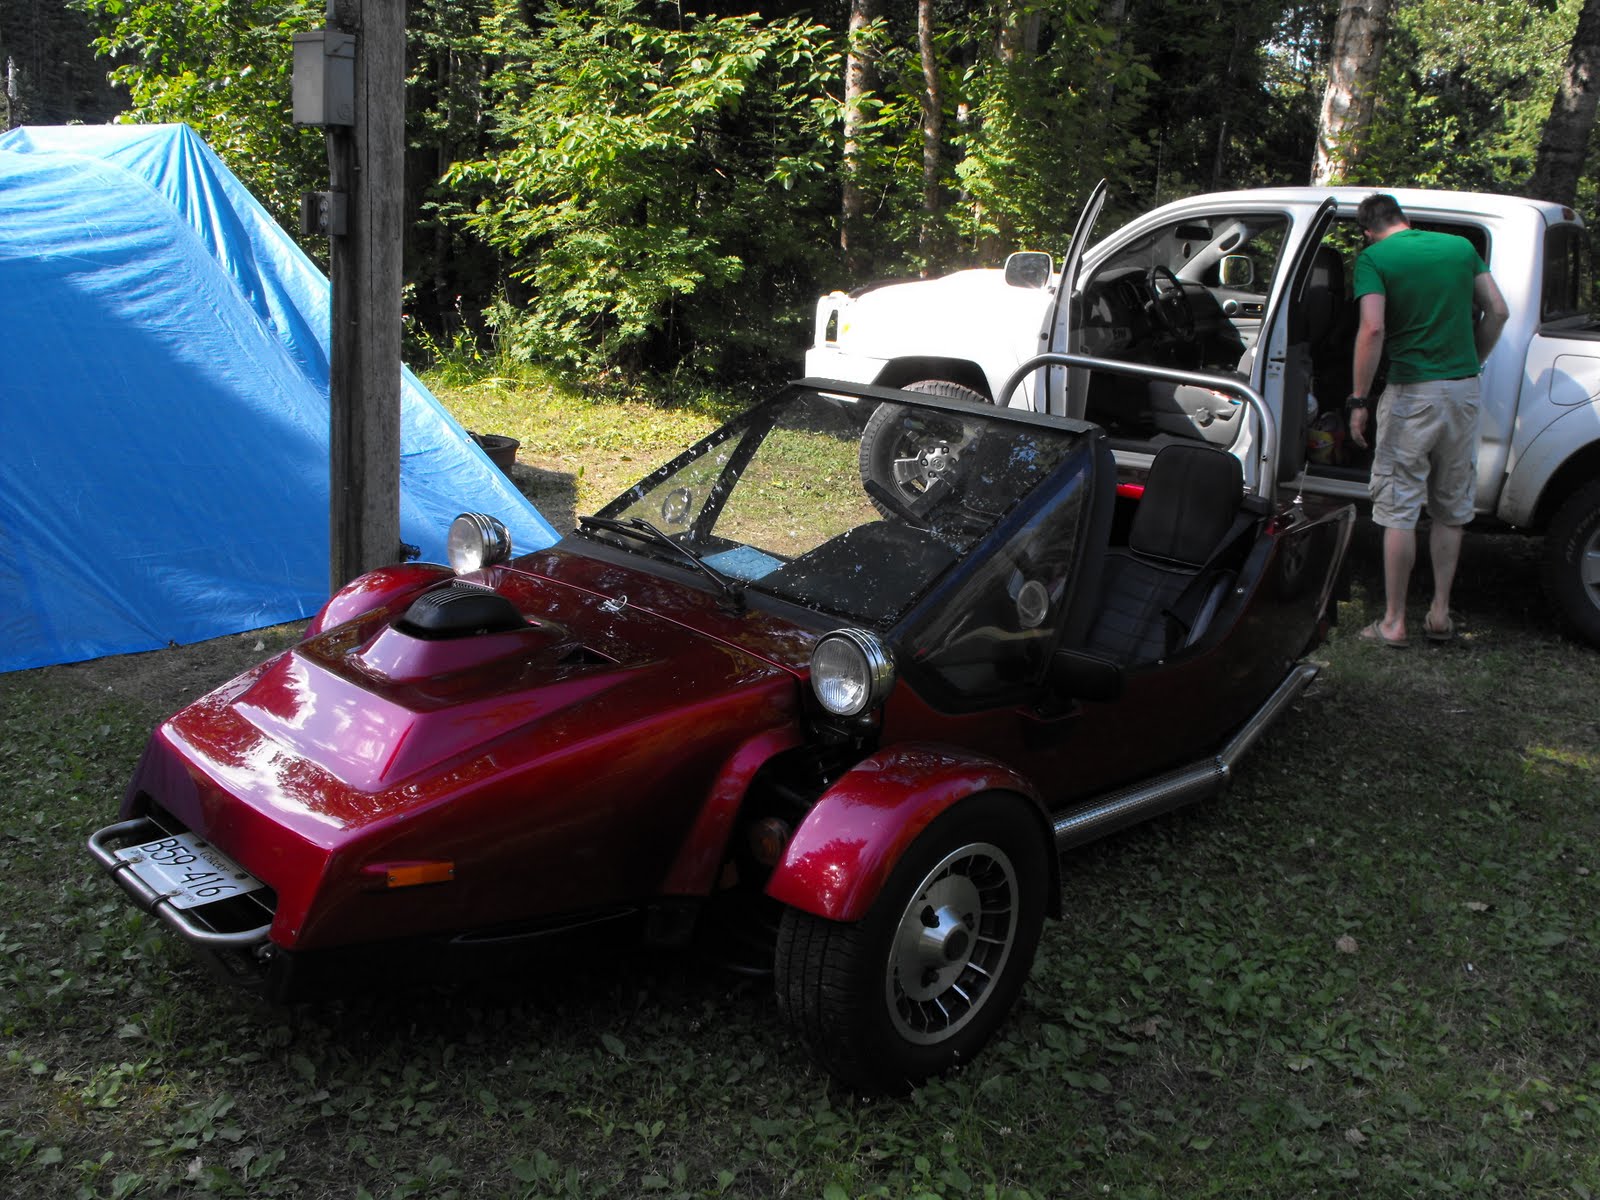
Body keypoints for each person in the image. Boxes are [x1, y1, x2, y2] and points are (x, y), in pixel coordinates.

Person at [1346, 193, 1509, 647]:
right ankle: (1439, 615)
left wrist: (1359, 399)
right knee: (1450, 507)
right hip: (1463, 392)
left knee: (1399, 507)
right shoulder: (1460, 248)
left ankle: (1394, 623)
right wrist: (1472, 360)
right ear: (1405, 219)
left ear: (1368, 231)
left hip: (1412, 394)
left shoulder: (1374, 259)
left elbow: (1373, 328)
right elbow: (1498, 311)